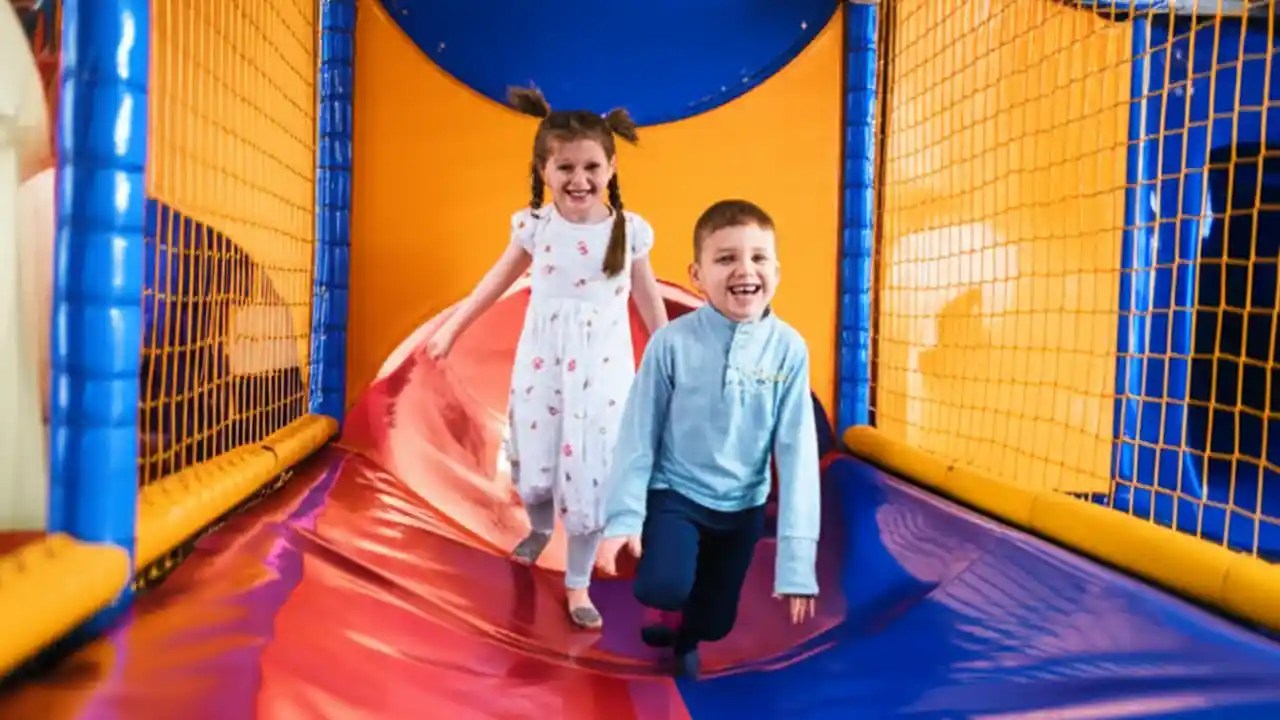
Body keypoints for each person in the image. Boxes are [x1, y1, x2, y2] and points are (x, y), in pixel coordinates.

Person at [425, 86, 668, 630]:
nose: (579, 180)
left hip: (603, 377)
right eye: (565, 167)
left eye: (591, 166)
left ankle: (578, 585)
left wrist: (672, 355)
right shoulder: (536, 228)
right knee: (534, 466)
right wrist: (452, 329)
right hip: (543, 366)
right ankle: (537, 527)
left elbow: (649, 301)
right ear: (543, 168)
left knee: (591, 476)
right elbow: (494, 282)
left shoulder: (628, 233)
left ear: (611, 167)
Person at [597, 199, 821, 679]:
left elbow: (797, 453)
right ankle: (669, 587)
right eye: (726, 259)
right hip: (676, 492)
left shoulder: (788, 349)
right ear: (697, 274)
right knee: (661, 585)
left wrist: (797, 562)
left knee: (716, 622)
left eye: (759, 258)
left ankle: (686, 636)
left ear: (777, 270)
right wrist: (624, 517)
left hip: (741, 507)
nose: (746, 270)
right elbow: (639, 431)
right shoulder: (672, 343)